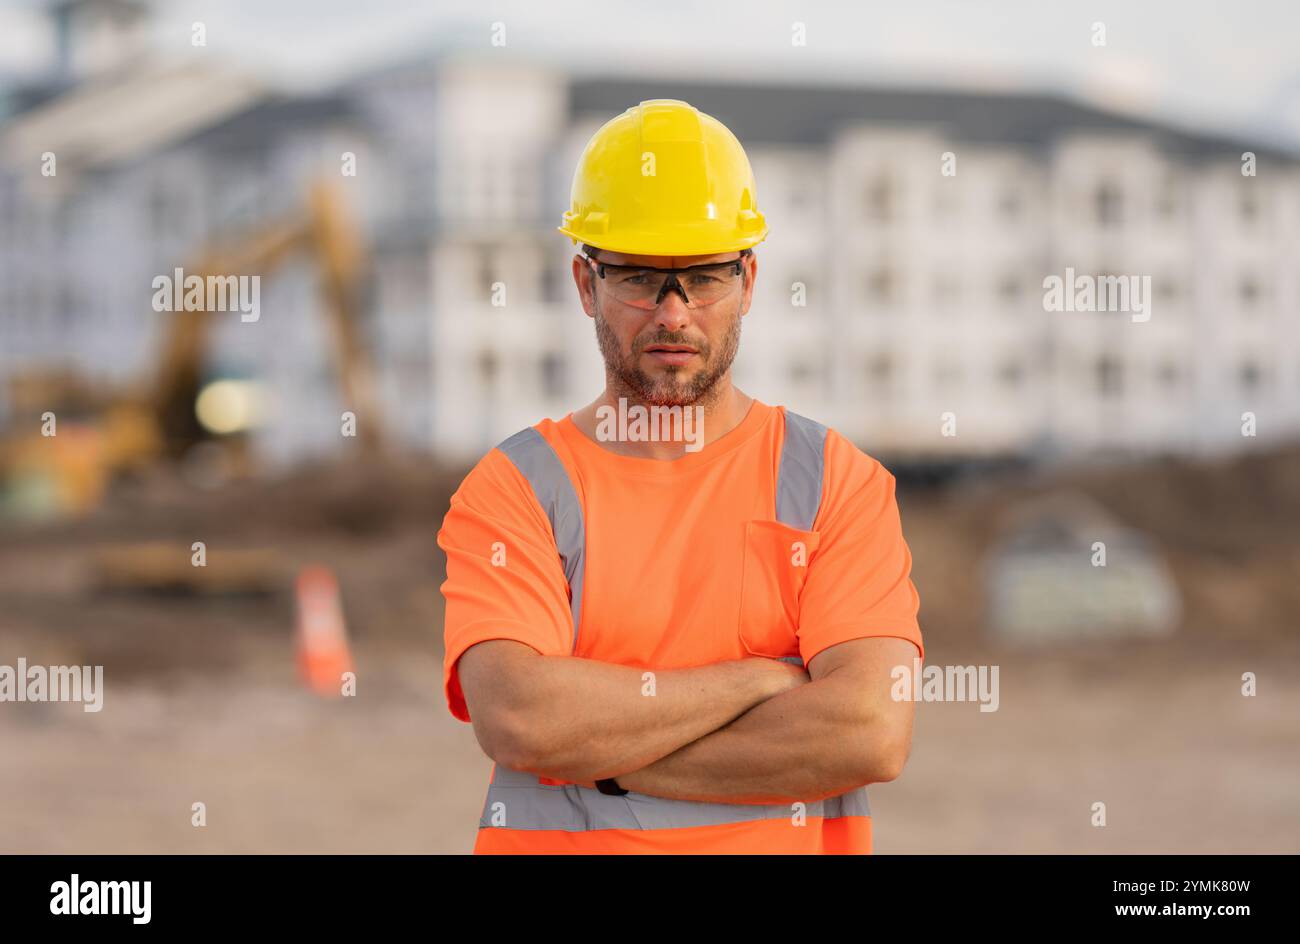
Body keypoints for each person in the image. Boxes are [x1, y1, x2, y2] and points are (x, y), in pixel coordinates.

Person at [437, 99, 923, 854]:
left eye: (702, 276)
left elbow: (868, 729)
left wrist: (602, 763)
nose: (673, 312)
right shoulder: (516, 491)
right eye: (638, 276)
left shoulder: (835, 483)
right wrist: (761, 681)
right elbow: (523, 718)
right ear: (584, 283)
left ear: (749, 282)